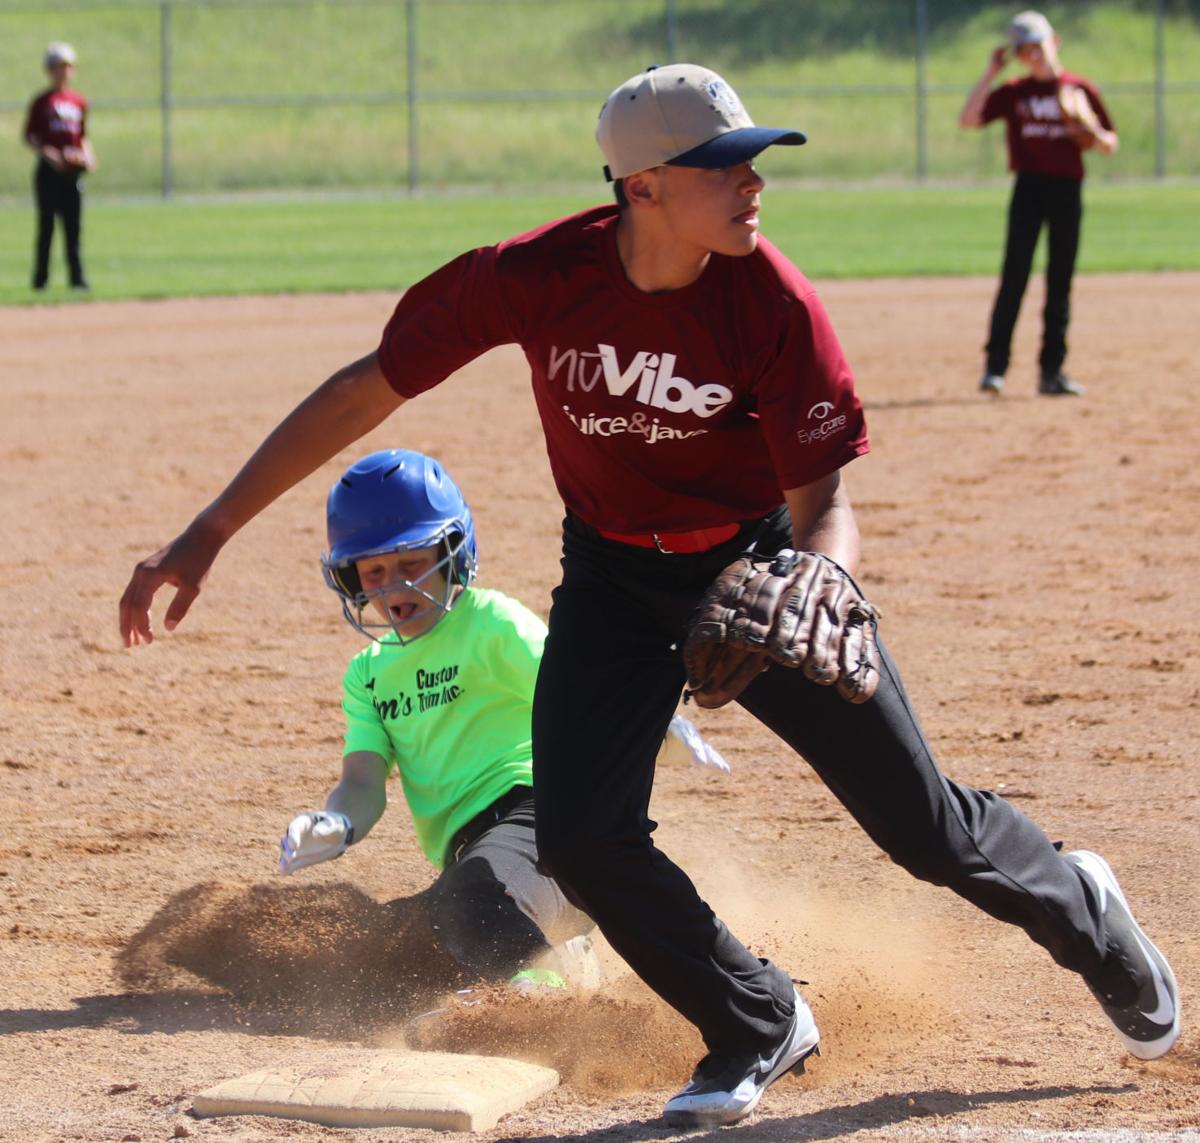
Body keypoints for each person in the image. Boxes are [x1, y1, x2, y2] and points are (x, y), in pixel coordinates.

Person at [120, 63, 1179, 1129]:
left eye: (755, 161)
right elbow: (370, 384)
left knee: (923, 828)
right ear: (643, 188)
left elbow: (825, 502)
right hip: (613, 578)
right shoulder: (537, 276)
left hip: (753, 571)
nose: (753, 182)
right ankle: (757, 1018)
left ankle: (1086, 914)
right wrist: (208, 532)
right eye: (724, 166)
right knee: (582, 837)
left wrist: (821, 578)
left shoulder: (775, 305)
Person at [277, 447, 598, 992]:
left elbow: (575, 691)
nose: (393, 587)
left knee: (474, 899)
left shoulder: (492, 622)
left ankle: (547, 993)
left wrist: (651, 731)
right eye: (373, 571)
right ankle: (547, 951)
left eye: (411, 563)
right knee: (371, 954)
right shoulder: (368, 673)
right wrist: (338, 821)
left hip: (547, 822)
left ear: (453, 552)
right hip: (472, 859)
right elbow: (362, 781)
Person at [959, 10, 1118, 397]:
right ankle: (995, 369)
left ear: (1054, 42)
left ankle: (1052, 372)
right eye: (1022, 49)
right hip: (1028, 188)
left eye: (1036, 45)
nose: (1031, 54)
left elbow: (1110, 144)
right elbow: (969, 119)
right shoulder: (1014, 91)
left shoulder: (1079, 89)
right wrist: (991, 72)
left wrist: (1090, 130)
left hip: (1067, 188)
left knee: (1060, 279)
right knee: (1014, 276)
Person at [23, 41, 96, 291]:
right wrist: (51, 155)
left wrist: (88, 156)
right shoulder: (42, 102)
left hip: (72, 173)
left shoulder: (78, 101)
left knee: (73, 227)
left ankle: (77, 280)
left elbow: (82, 136)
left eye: (67, 66)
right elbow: (31, 136)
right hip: (49, 172)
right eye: (58, 66)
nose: (63, 71)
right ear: (49, 69)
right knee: (47, 226)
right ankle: (40, 281)